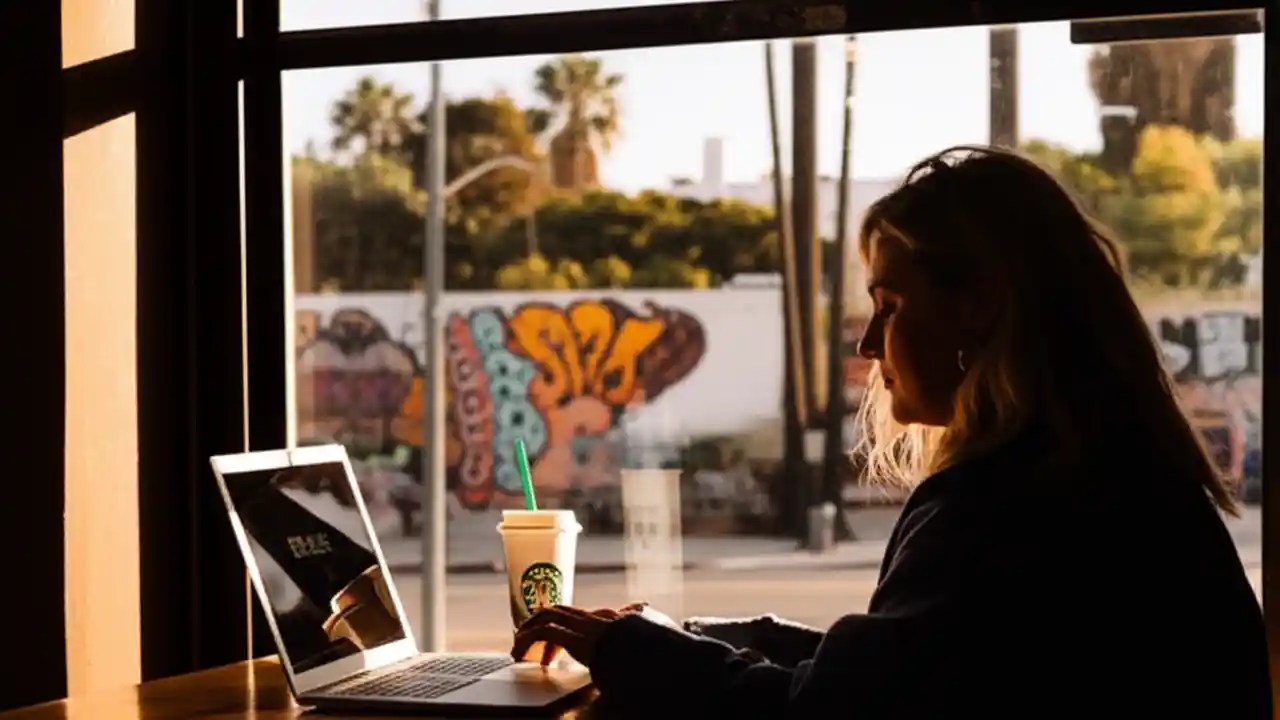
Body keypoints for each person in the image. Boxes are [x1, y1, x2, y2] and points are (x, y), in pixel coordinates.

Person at [511, 146, 1271, 718]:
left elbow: (824, 716)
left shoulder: (1005, 503)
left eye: (891, 304)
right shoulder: (1107, 472)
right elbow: (911, 671)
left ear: (976, 306)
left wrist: (631, 652)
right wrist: (706, 635)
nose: (869, 344)